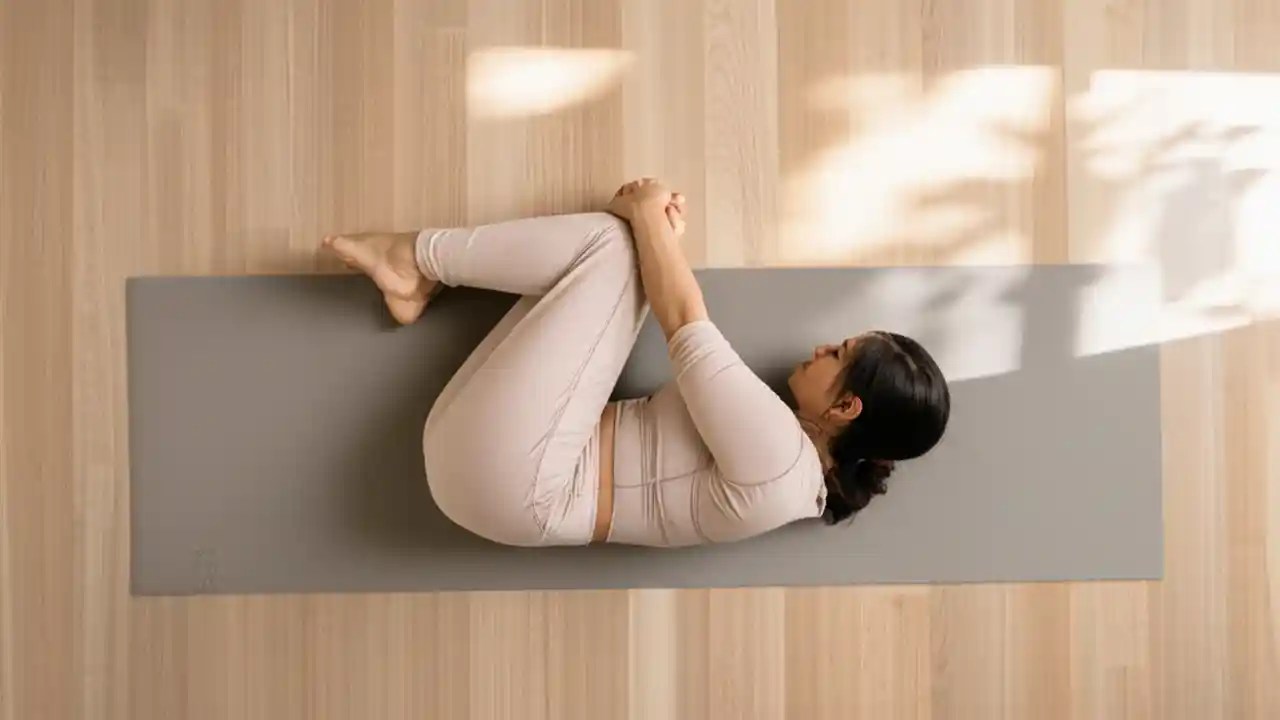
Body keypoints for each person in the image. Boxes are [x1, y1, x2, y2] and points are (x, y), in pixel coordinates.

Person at [321, 178, 950, 547]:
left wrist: (648, 211)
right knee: (626, 251)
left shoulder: (778, 457)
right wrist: (653, 237)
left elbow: (685, 321)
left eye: (839, 354)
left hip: (516, 478)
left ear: (846, 407)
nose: (821, 349)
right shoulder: (791, 477)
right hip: (503, 471)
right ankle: (415, 274)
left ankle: (414, 258)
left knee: (612, 243)